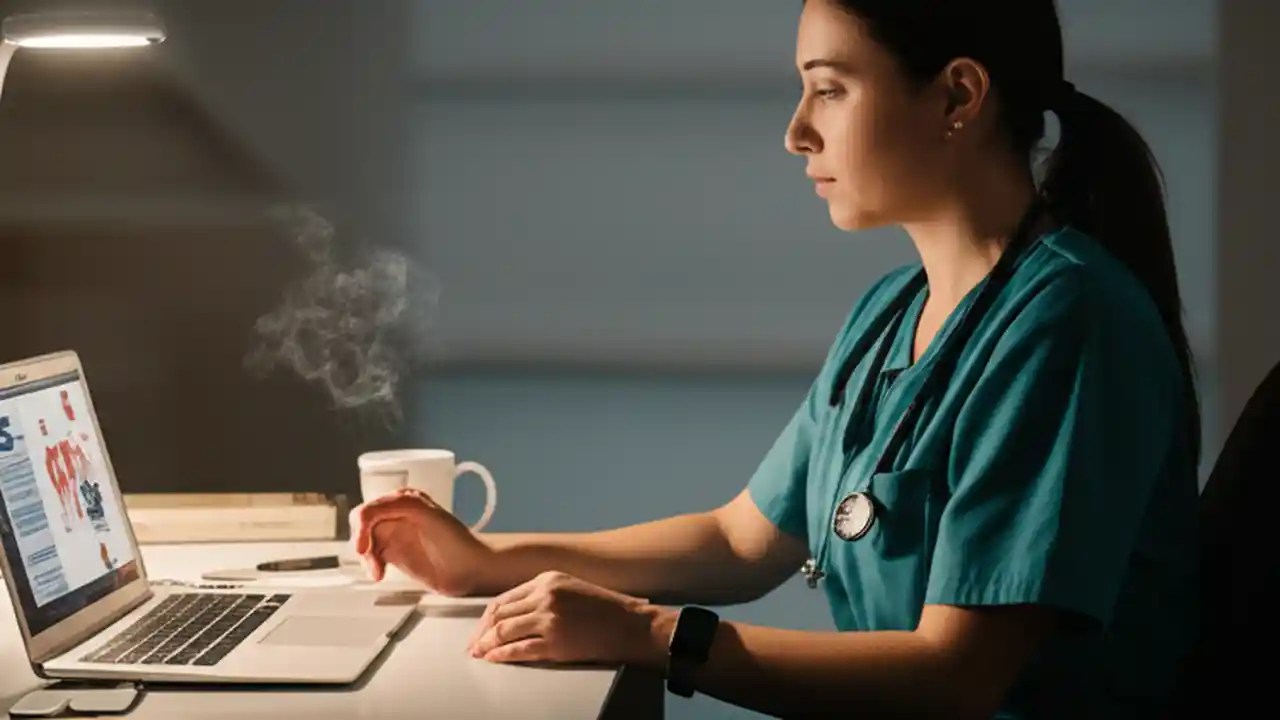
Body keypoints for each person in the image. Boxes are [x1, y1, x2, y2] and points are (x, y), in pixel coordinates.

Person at [350, 1, 1202, 717]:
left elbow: (958, 675)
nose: (797, 134)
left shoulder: (1068, 320)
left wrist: (649, 635)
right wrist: (485, 560)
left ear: (956, 96)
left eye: (829, 90)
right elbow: (741, 539)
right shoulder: (889, 315)